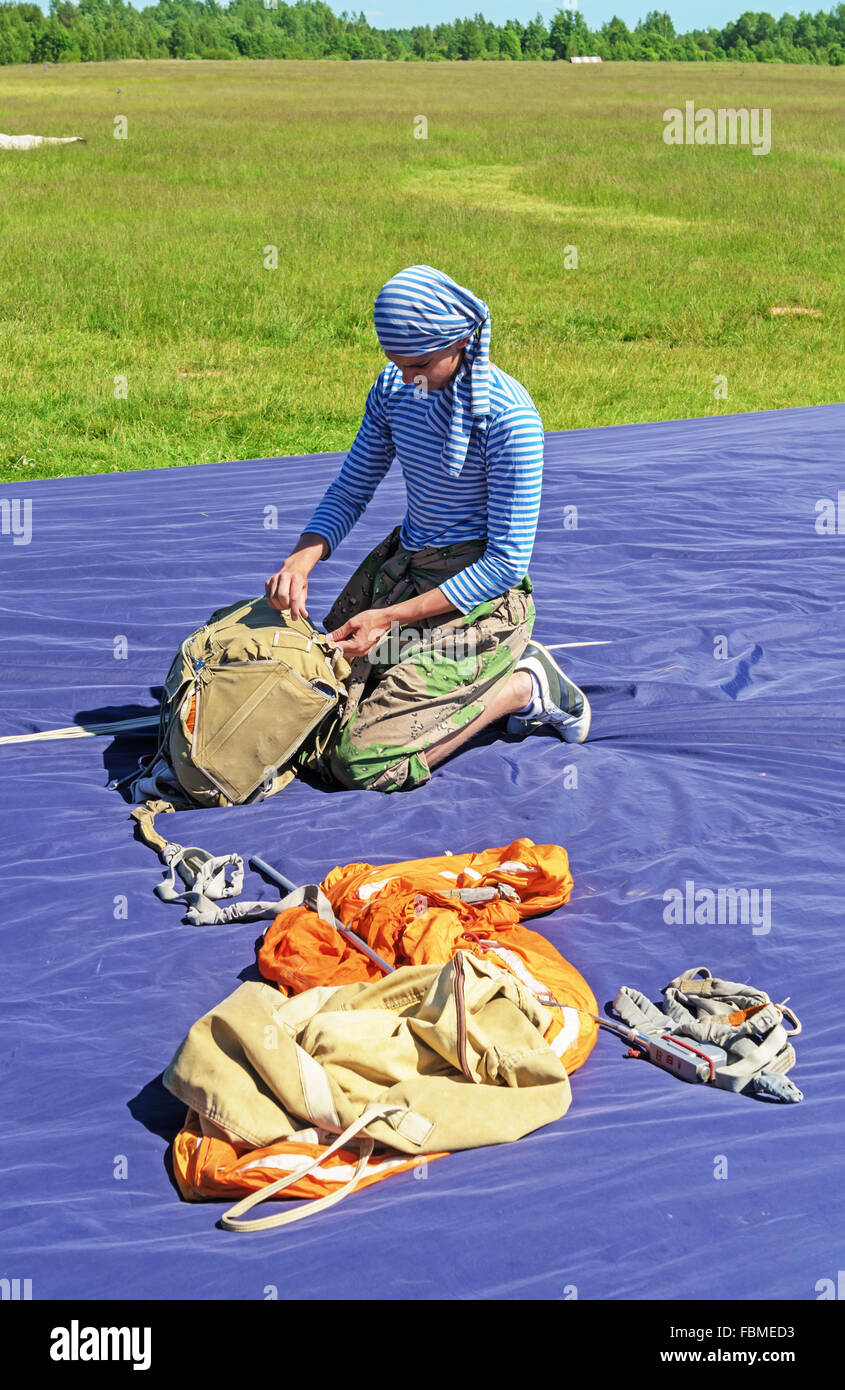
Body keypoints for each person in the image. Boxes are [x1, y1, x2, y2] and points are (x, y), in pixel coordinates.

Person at [265, 264, 590, 793]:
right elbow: (352, 488)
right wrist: (301, 558)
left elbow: (506, 563)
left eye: (418, 363)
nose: (406, 376)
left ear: (460, 342)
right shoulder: (396, 388)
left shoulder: (510, 420)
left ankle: (523, 688)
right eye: (394, 361)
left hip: (475, 603)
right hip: (404, 575)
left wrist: (389, 619)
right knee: (310, 722)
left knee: (359, 765)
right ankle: (472, 680)